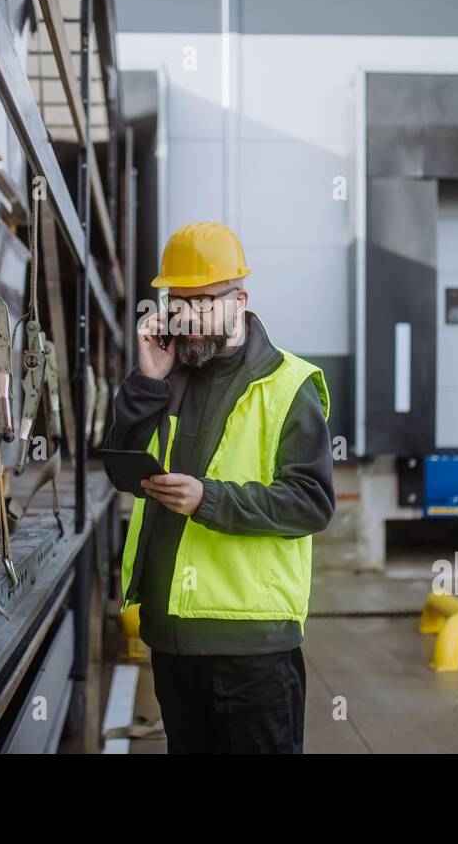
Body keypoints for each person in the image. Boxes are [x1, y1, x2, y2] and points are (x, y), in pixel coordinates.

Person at [105, 221, 334, 754]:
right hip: (169, 637)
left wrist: (209, 499)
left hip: (251, 643)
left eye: (204, 301)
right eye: (177, 301)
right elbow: (121, 471)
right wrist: (145, 383)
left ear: (240, 299)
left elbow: (311, 502)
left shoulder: (288, 384)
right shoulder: (166, 376)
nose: (189, 316)